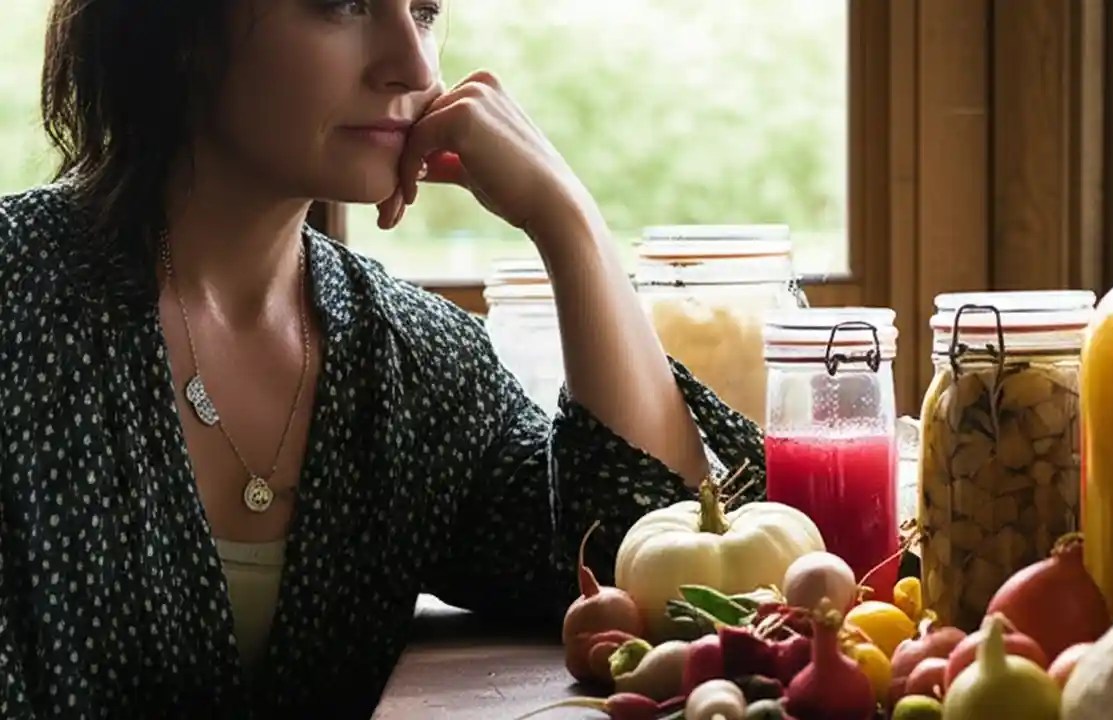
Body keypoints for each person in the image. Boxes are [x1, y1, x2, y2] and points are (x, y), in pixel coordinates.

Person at [0, 1, 765, 717]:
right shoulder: (19, 297)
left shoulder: (411, 358)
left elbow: (657, 569)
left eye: (426, 11)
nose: (415, 67)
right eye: (345, 5)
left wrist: (566, 221)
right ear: (184, 30)